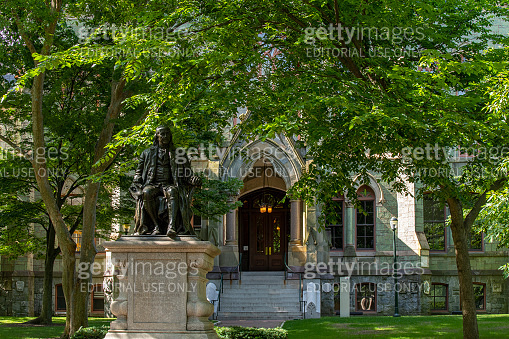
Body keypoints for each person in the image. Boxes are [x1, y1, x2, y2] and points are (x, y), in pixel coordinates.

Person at [129, 126, 201, 237]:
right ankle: (156, 225)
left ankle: (171, 227)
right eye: (162, 134)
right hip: (152, 184)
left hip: (170, 184)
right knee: (146, 193)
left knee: (173, 192)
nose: (165, 136)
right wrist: (136, 182)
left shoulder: (179, 153)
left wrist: (193, 179)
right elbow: (138, 173)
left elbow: (188, 174)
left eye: (167, 134)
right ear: (156, 136)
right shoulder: (146, 153)